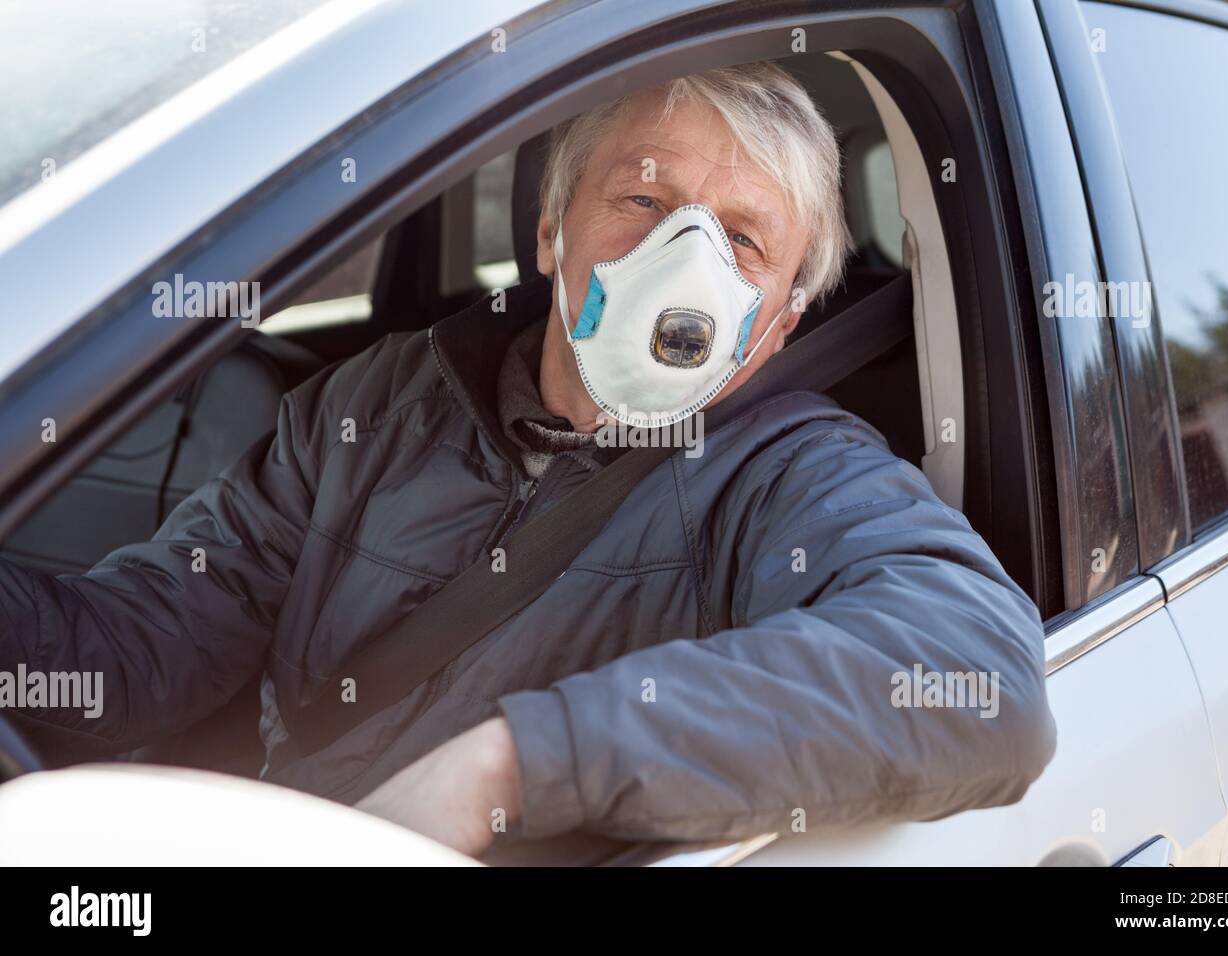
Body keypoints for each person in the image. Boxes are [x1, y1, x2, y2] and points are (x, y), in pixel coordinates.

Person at [0, 62, 1055, 857]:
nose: (678, 256)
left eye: (742, 238)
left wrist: (513, 761)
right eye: (641, 199)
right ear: (551, 231)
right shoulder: (374, 404)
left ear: (774, 322)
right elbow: (144, 643)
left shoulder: (793, 475)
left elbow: (980, 680)